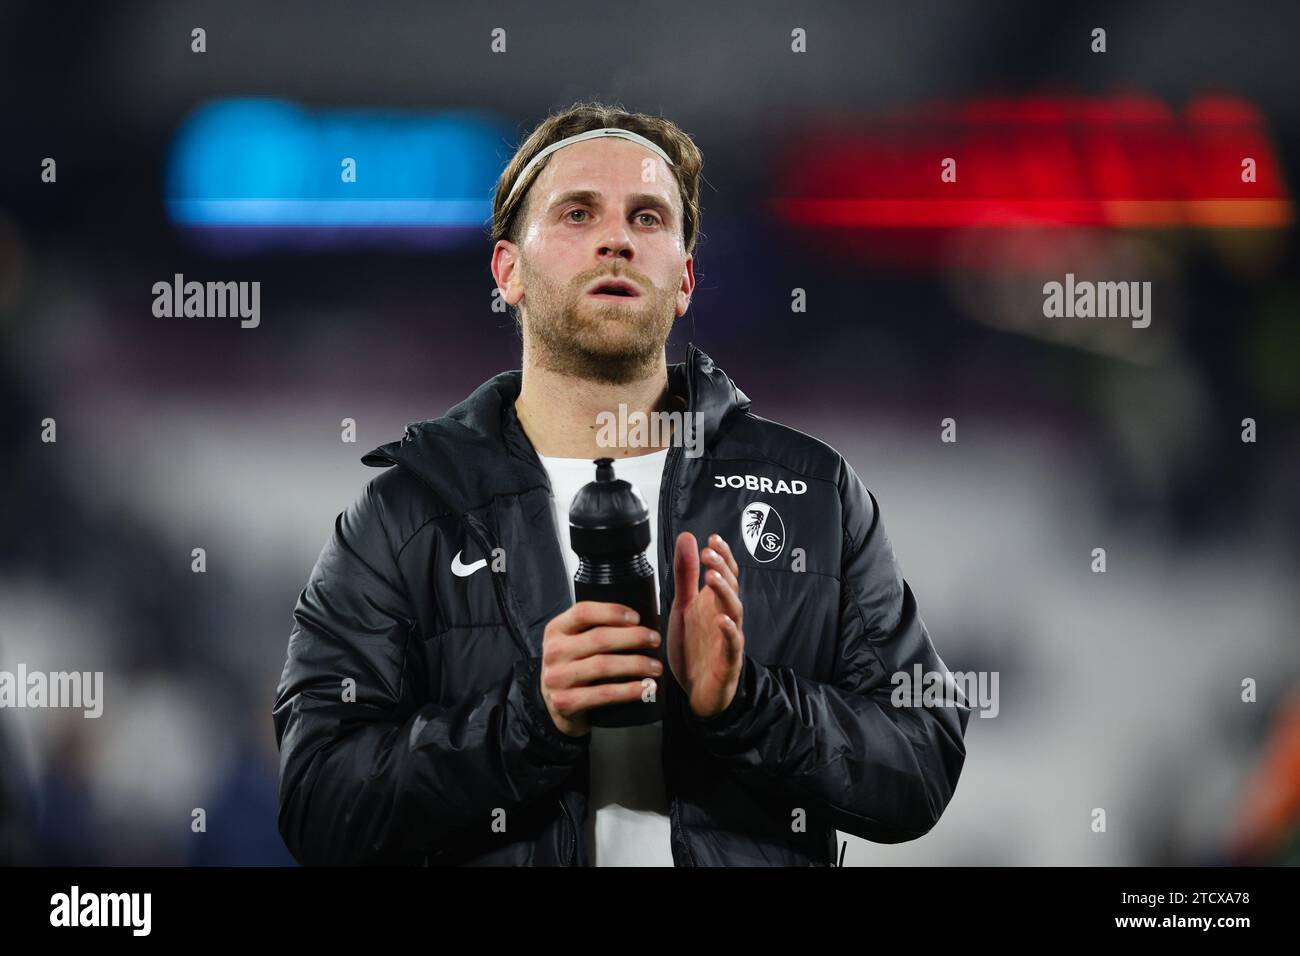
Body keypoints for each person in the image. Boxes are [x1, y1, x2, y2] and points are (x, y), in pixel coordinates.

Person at [273, 101, 969, 866]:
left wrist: (748, 706)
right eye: (577, 214)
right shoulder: (407, 513)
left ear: (685, 279)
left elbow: (922, 759)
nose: (616, 240)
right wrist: (526, 721)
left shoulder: (815, 495)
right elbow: (318, 803)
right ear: (508, 270)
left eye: (647, 218)